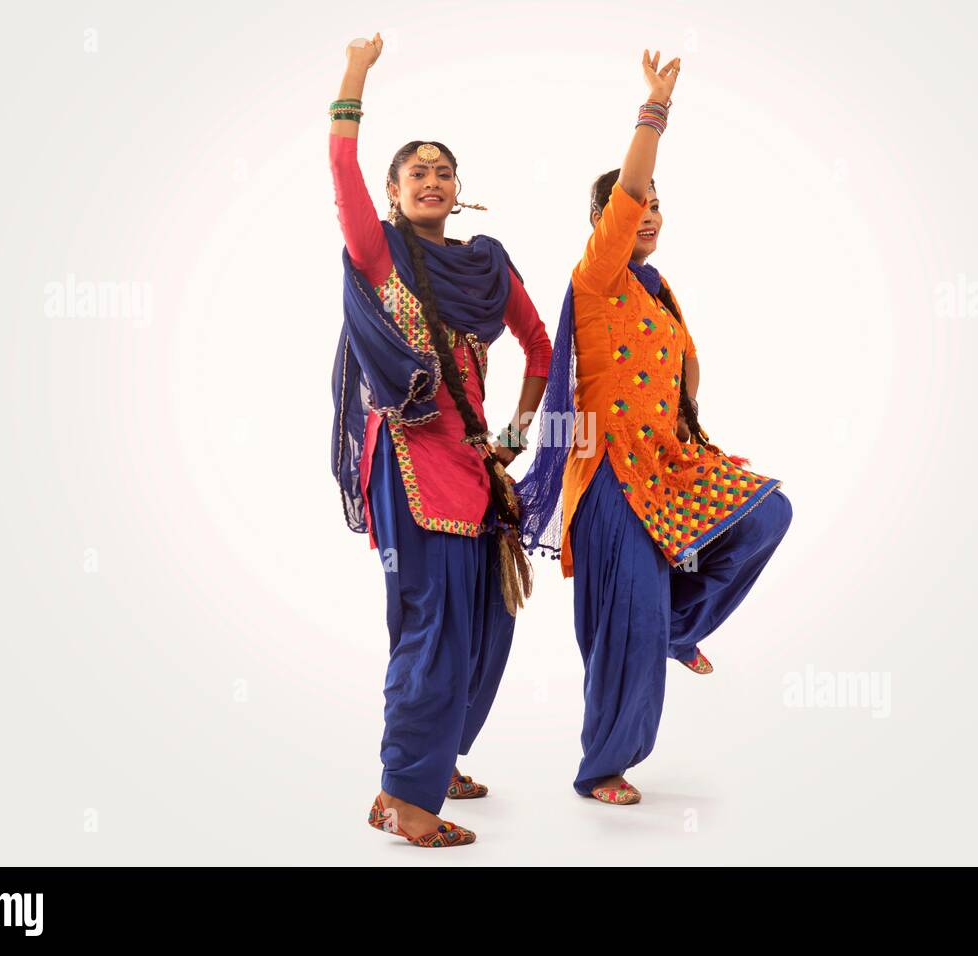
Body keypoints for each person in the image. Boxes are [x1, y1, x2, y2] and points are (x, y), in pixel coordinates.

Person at [515, 50, 793, 805]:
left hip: (669, 463)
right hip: (607, 473)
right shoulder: (597, 275)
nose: (651, 213)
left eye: (660, 206)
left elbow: (685, 370)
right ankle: (604, 763)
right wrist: (655, 111)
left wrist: (685, 425)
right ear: (610, 221)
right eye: (640, 206)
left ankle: (674, 627)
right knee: (621, 618)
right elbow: (631, 184)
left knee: (767, 514)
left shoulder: (658, 285)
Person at [328, 34, 552, 845]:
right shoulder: (375, 250)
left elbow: (542, 350)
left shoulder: (485, 268)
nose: (431, 179)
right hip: (408, 460)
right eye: (415, 171)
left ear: (459, 191)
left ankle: (432, 757)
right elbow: (341, 169)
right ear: (391, 192)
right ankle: (409, 800)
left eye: (443, 171)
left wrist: (516, 437)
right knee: (434, 621)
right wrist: (356, 76)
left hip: (475, 465)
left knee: (490, 622)